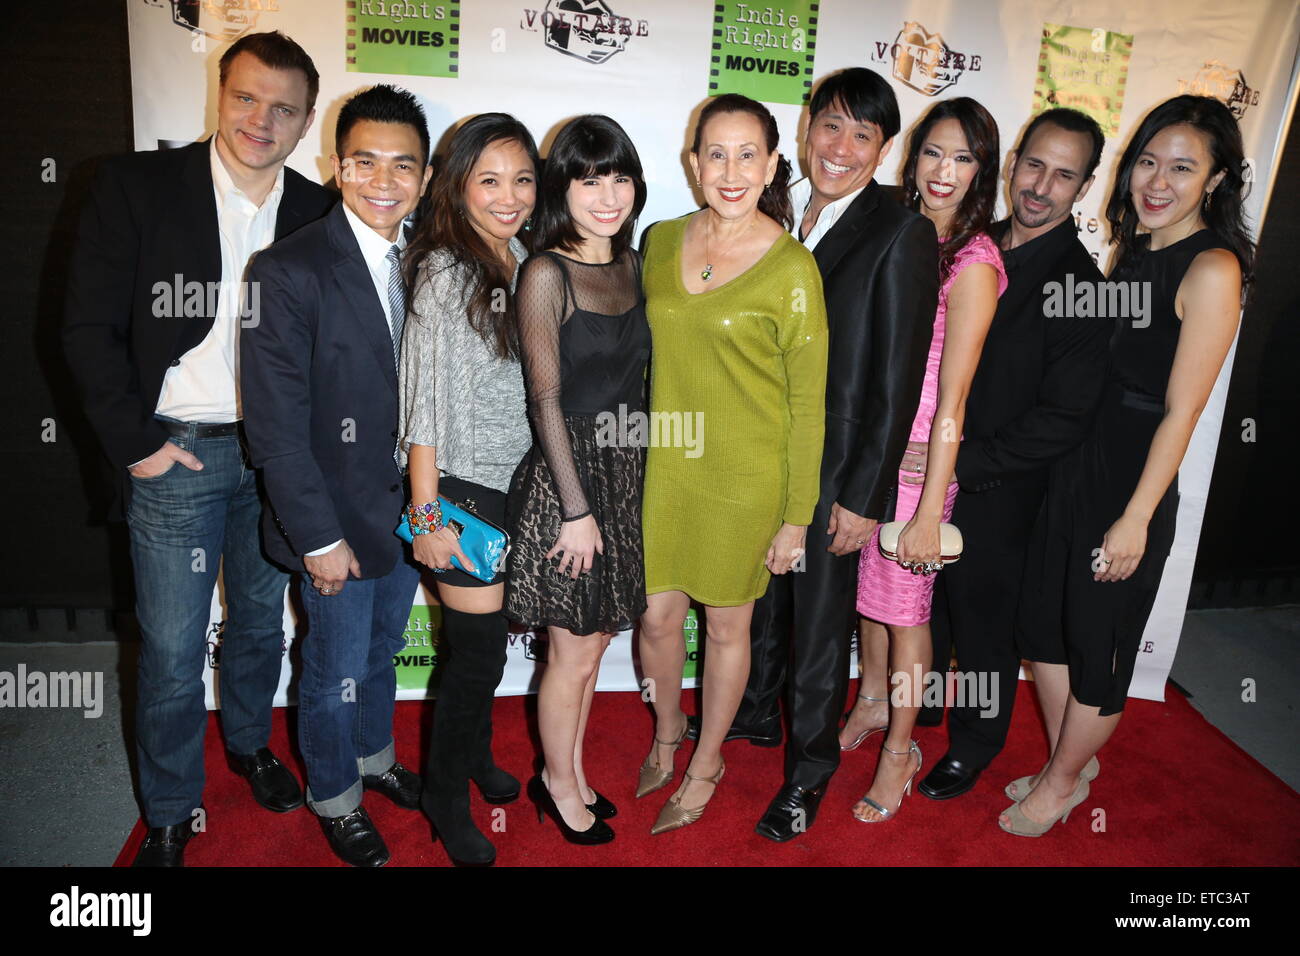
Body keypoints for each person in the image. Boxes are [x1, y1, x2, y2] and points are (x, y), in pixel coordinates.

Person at [62, 31, 333, 867]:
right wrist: (138, 445)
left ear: (305, 121)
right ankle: (173, 809)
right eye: (247, 97)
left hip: (275, 458)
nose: (262, 119)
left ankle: (249, 745)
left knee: (259, 626)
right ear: (221, 92)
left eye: (284, 108)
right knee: (176, 652)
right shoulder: (137, 185)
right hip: (175, 454)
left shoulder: (320, 211)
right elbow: (83, 329)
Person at [1003, 95, 1252, 835]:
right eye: (1148, 161)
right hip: (1073, 470)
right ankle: (1068, 762)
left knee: (1098, 649)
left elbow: (1183, 410)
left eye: (1182, 167)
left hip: (1126, 489)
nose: (1157, 181)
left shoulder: (1211, 268)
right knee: (1043, 630)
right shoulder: (1136, 253)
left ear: (1214, 180)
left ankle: (1064, 780)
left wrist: (1137, 518)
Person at [718, 68, 941, 843]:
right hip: (759, 459)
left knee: (818, 629)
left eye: (863, 135)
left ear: (884, 149)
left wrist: (864, 496)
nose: (840, 148)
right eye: (829, 126)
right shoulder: (777, 210)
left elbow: (898, 379)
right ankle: (755, 716)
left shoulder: (900, 232)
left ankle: (809, 775)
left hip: (836, 470)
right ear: (806, 126)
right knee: (762, 601)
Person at [241, 85, 434, 867]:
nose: (384, 181)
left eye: (403, 165)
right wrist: (316, 537)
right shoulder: (284, 270)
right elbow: (275, 427)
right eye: (366, 163)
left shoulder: (429, 261)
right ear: (335, 166)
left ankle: (374, 758)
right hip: (332, 521)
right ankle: (335, 794)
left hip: (407, 510)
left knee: (383, 651)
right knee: (332, 668)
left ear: (423, 177)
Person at [638, 93, 828, 836]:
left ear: (774, 164)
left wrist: (797, 517)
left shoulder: (793, 271)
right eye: (715, 152)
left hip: (745, 482)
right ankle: (666, 728)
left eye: (749, 153)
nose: (731, 169)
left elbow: (808, 406)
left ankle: (708, 759)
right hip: (664, 470)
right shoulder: (657, 242)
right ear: (692, 163)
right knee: (655, 619)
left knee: (725, 629)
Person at [912, 108, 1111, 801]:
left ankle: (975, 743)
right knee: (924, 609)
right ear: (1014, 160)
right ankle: (920, 710)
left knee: (983, 623)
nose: (1041, 186)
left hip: (1002, 491)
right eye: (1034, 165)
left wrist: (965, 464)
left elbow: (1067, 419)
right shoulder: (971, 242)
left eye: (1063, 175)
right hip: (928, 469)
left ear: (1083, 187)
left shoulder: (1083, 288)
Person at [850, 97, 1007, 823]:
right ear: (913, 158)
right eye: (934, 153)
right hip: (874, 451)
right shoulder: (900, 231)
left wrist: (925, 504)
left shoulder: (974, 261)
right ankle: (873, 703)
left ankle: (900, 752)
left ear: (983, 171)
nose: (945, 172)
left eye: (964, 157)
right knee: (871, 607)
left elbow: (956, 400)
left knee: (909, 616)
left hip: (920, 466)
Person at [505, 115, 651, 845]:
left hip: (628, 474)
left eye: (618, 175)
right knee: (569, 649)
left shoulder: (633, 262)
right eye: (589, 178)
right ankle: (556, 783)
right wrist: (575, 509)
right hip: (573, 483)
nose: (607, 194)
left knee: (593, 645)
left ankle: (574, 768)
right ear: (563, 185)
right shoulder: (545, 272)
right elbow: (544, 397)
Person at [398, 113, 539, 866]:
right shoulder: (446, 270)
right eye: (490, 180)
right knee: (477, 656)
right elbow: (423, 409)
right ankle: (444, 797)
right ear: (457, 185)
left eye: (521, 178)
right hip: (459, 492)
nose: (509, 195)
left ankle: (475, 759)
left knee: (480, 652)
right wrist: (427, 518)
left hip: (515, 485)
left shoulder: (518, 256)